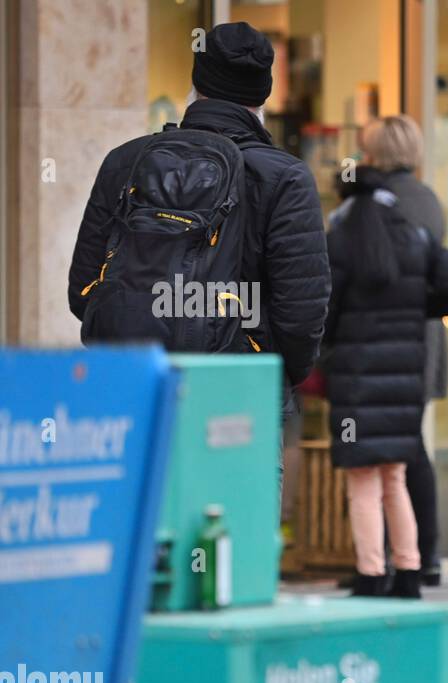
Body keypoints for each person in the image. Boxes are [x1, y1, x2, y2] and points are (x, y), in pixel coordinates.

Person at [68, 21, 330, 422]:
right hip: (236, 396)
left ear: (196, 80)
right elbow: (301, 315)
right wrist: (271, 376)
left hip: (132, 388)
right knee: (229, 488)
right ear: (264, 92)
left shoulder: (126, 161)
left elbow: (83, 288)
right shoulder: (286, 177)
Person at [322, 163, 448, 598]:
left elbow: (325, 313)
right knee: (395, 476)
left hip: (356, 382)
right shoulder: (415, 237)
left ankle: (371, 574)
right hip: (405, 382)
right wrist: (421, 306)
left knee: (362, 483)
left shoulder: (339, 240)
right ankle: (408, 572)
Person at [356, 115, 448, 587]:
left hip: (397, 336)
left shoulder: (386, 202)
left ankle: (413, 556)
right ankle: (416, 555)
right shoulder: (427, 198)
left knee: (404, 448)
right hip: (421, 333)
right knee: (409, 443)